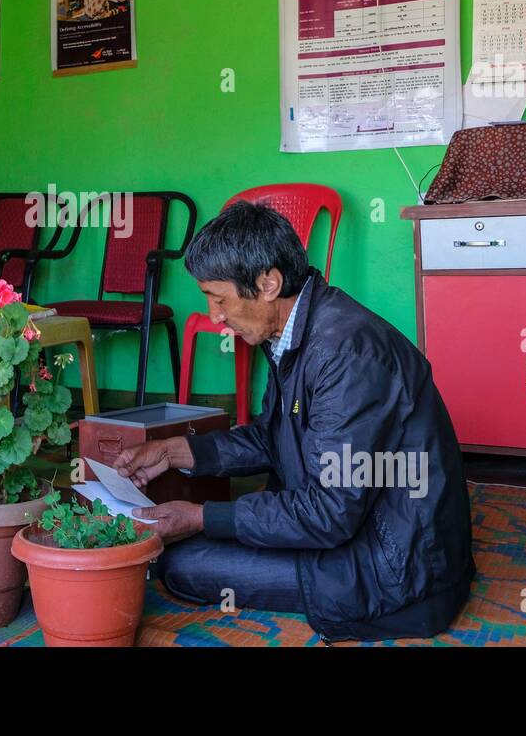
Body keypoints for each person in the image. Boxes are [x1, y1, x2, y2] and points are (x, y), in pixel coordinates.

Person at [115, 201, 475, 642]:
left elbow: (330, 512)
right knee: (187, 550)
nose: (215, 316)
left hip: (393, 563)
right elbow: (274, 436)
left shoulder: (344, 354)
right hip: (360, 528)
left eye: (218, 298)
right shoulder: (296, 327)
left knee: (180, 564)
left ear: (268, 283)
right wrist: (176, 451)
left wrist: (201, 517)